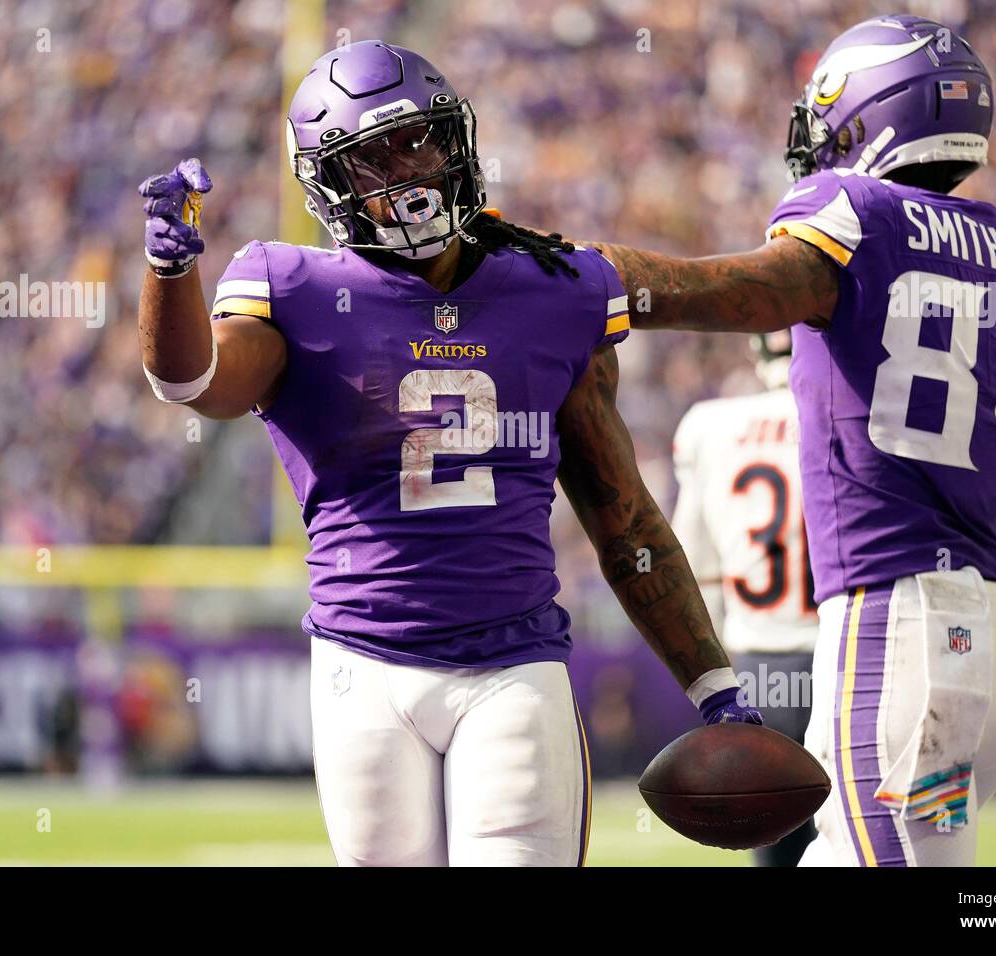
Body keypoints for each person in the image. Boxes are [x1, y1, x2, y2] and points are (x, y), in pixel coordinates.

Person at [136, 40, 759, 867]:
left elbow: (626, 512)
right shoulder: (296, 288)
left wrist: (714, 687)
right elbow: (194, 384)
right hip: (361, 664)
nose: (405, 170)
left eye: (417, 139)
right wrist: (168, 272)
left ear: (456, 139)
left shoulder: (552, 285)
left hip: (511, 663)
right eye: (369, 160)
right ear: (331, 184)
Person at [579, 14, 996, 865]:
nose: (818, 147)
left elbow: (740, 293)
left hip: (900, 632)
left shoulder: (856, 217)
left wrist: (591, 276)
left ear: (878, 119)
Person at [670, 329, 819, 866]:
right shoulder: (855, 414)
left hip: (759, 671)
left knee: (776, 855)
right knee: (865, 846)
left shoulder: (711, 427)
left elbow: (695, 571)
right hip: (848, 661)